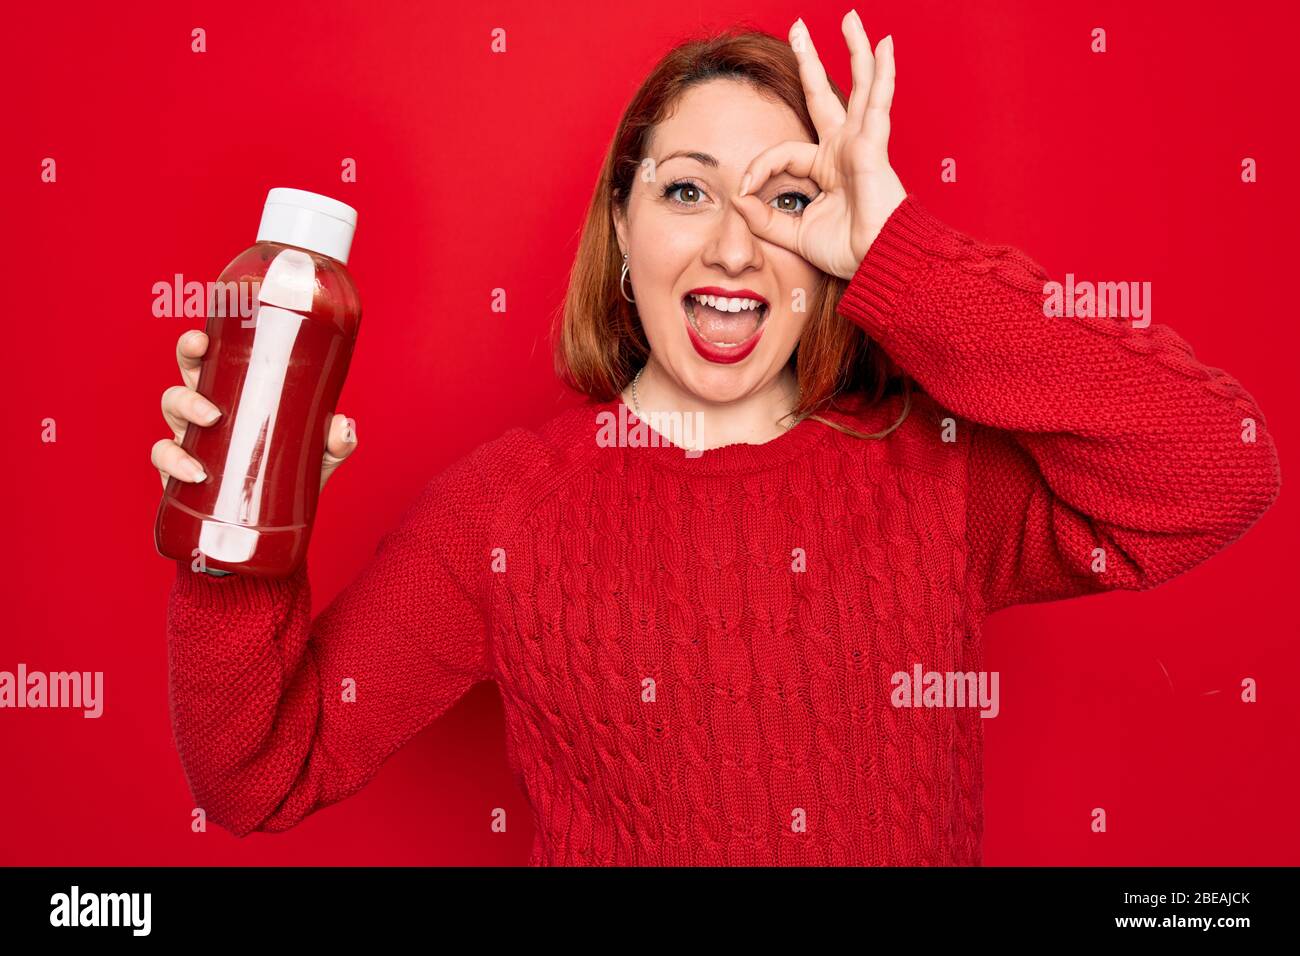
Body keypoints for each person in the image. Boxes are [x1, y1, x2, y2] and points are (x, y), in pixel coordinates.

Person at [155, 15, 1280, 866]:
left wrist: (899, 249)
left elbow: (1213, 462)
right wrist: (230, 531)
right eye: (687, 190)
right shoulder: (504, 515)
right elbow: (256, 772)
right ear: (620, 223)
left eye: (784, 201)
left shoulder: (929, 477)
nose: (736, 247)